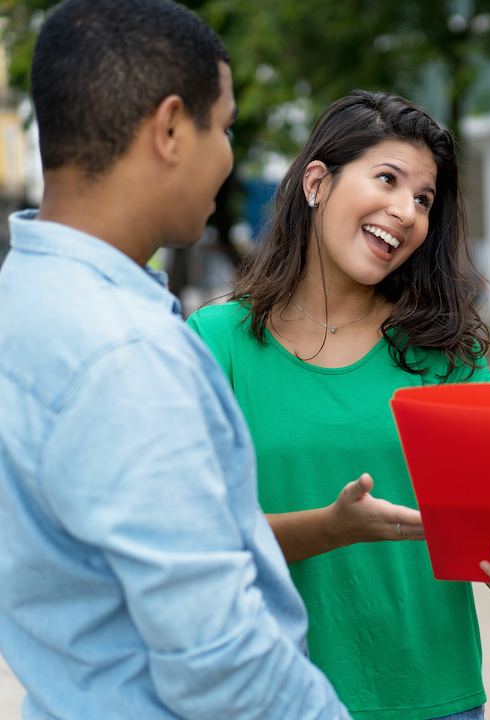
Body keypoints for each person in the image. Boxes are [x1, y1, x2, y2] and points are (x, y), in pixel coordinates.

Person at [0, 0, 353, 718]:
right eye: (222, 127)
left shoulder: (26, 294)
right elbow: (219, 660)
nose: (227, 154)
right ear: (168, 129)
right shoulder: (125, 353)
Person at [187, 90, 490, 720]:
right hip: (264, 697)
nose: (405, 212)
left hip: (431, 697)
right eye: (387, 179)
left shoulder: (444, 357)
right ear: (317, 182)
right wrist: (331, 528)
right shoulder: (216, 343)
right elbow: (190, 542)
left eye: (424, 200)